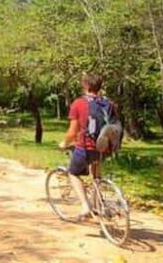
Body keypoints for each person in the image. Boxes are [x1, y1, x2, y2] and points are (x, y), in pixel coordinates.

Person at [59, 73, 113, 221]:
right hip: (104, 147)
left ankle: (85, 206)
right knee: (96, 175)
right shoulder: (108, 103)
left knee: (73, 173)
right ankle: (97, 205)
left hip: (86, 146)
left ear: (86, 85)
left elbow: (72, 131)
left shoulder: (79, 103)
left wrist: (64, 143)